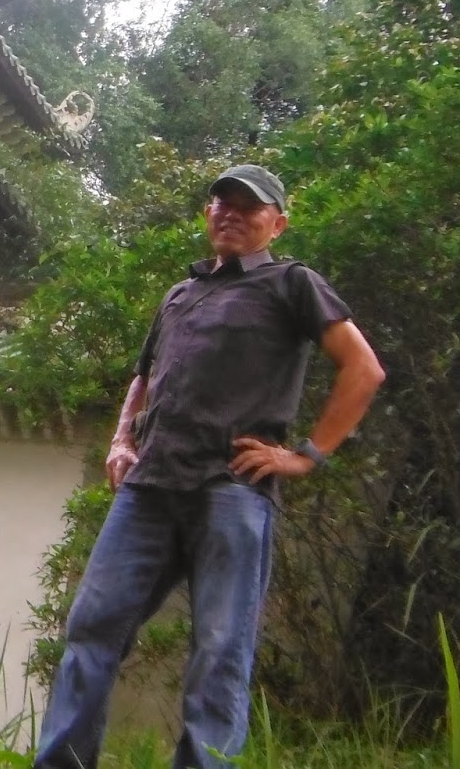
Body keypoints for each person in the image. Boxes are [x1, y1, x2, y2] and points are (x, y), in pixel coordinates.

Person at [33, 164, 386, 769]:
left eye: (249, 206)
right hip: (148, 488)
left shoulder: (291, 283)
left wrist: (305, 455)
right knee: (92, 630)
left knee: (221, 649)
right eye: (221, 201)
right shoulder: (180, 294)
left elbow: (364, 368)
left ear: (277, 222)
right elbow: (144, 376)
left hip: (232, 489)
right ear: (207, 214)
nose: (231, 212)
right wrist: (122, 440)